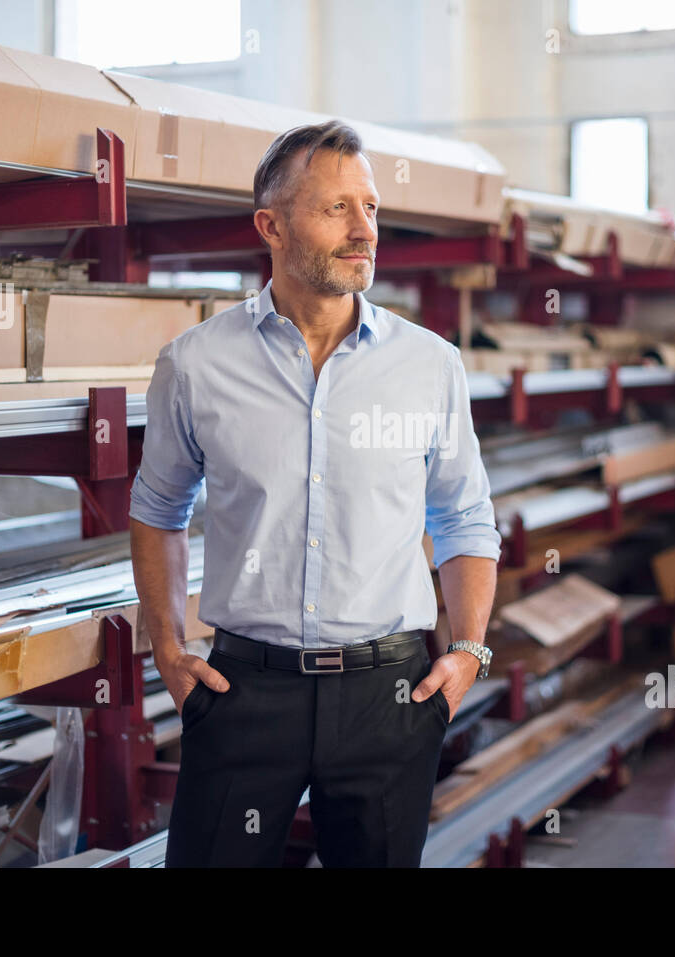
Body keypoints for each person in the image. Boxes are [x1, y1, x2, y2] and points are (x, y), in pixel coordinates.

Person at [129, 120, 500, 867]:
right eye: (336, 208)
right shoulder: (195, 365)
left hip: (390, 697)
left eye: (369, 207)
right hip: (243, 692)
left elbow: (464, 517)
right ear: (271, 224)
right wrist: (168, 646)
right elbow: (157, 509)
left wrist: (466, 653)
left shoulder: (431, 366)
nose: (363, 228)